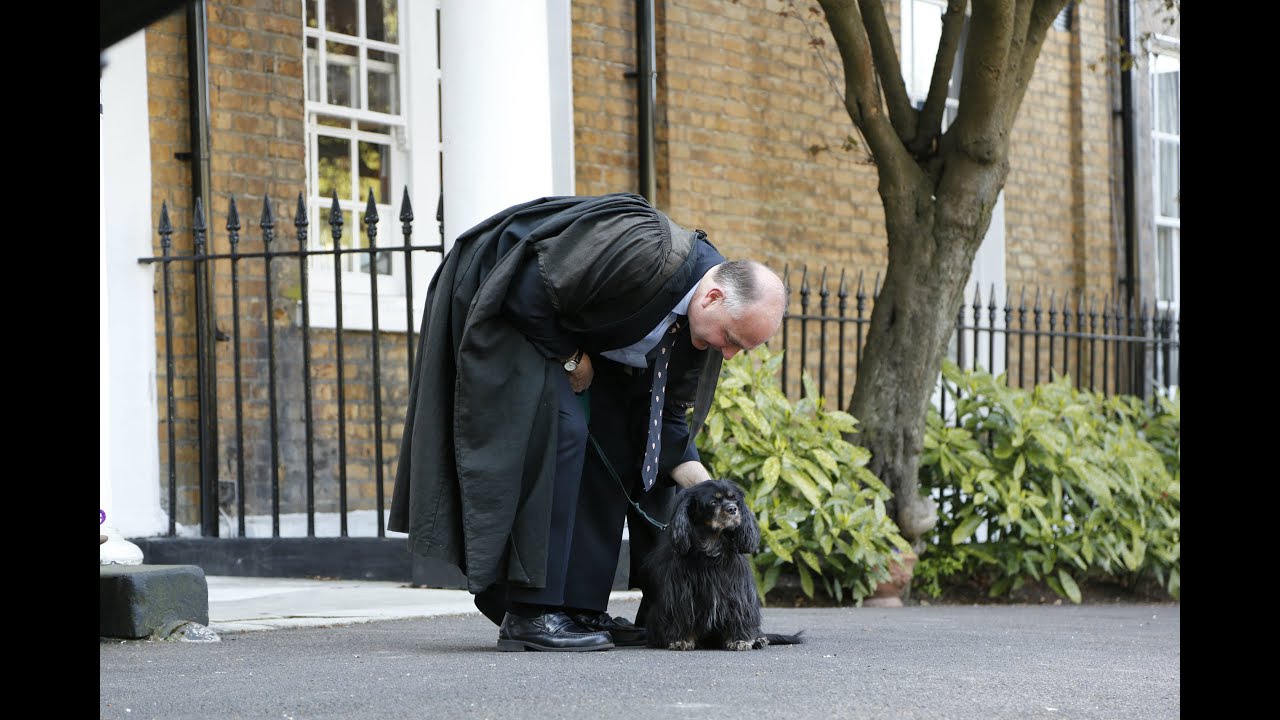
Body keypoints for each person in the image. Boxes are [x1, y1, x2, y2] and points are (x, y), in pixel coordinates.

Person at [388, 192, 786, 652]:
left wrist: (711, 491)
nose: (730, 352)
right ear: (713, 297)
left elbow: (665, 419)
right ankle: (530, 613)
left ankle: (580, 607)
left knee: (619, 447)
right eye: (732, 338)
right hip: (503, 305)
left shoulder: (697, 330)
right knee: (565, 432)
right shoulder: (646, 252)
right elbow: (525, 290)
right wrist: (575, 357)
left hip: (562, 331)